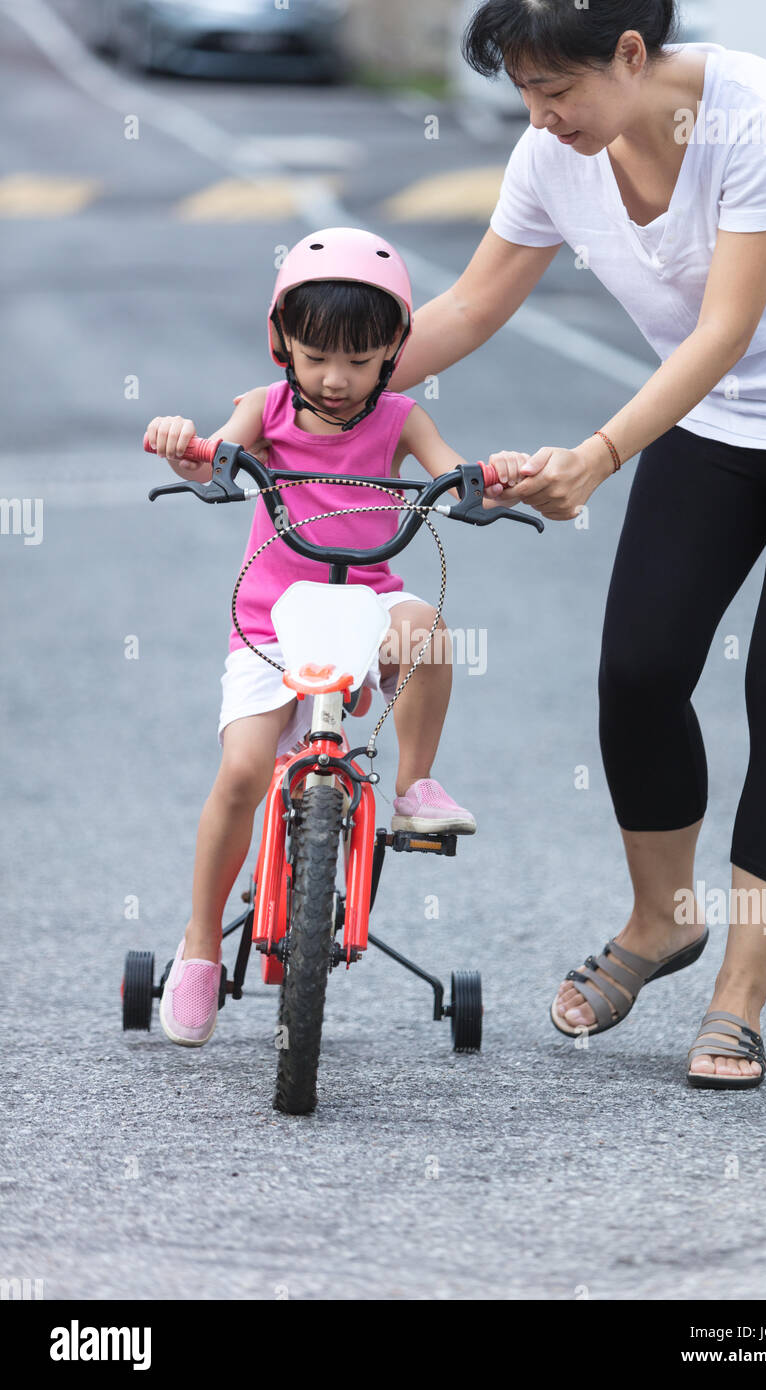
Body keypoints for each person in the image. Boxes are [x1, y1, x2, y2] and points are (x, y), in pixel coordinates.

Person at [389, 0, 766, 1089]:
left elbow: (721, 328)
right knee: (637, 672)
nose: (538, 116)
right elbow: (464, 309)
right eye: (521, 94)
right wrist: (315, 387)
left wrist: (598, 454)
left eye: (555, 91)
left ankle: (738, 998)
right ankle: (661, 919)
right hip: (709, 422)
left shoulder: (753, 118)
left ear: (631, 54)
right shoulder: (550, 155)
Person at [145, 226, 505, 1047]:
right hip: (272, 620)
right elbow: (214, 458)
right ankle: (201, 944)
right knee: (242, 771)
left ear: (394, 351)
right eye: (315, 358)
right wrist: (183, 447)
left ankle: (415, 786)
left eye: (359, 359)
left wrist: (489, 480)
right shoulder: (264, 408)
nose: (336, 381)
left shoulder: (402, 417)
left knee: (431, 633)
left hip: (366, 604)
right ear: (282, 344)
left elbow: (456, 471)